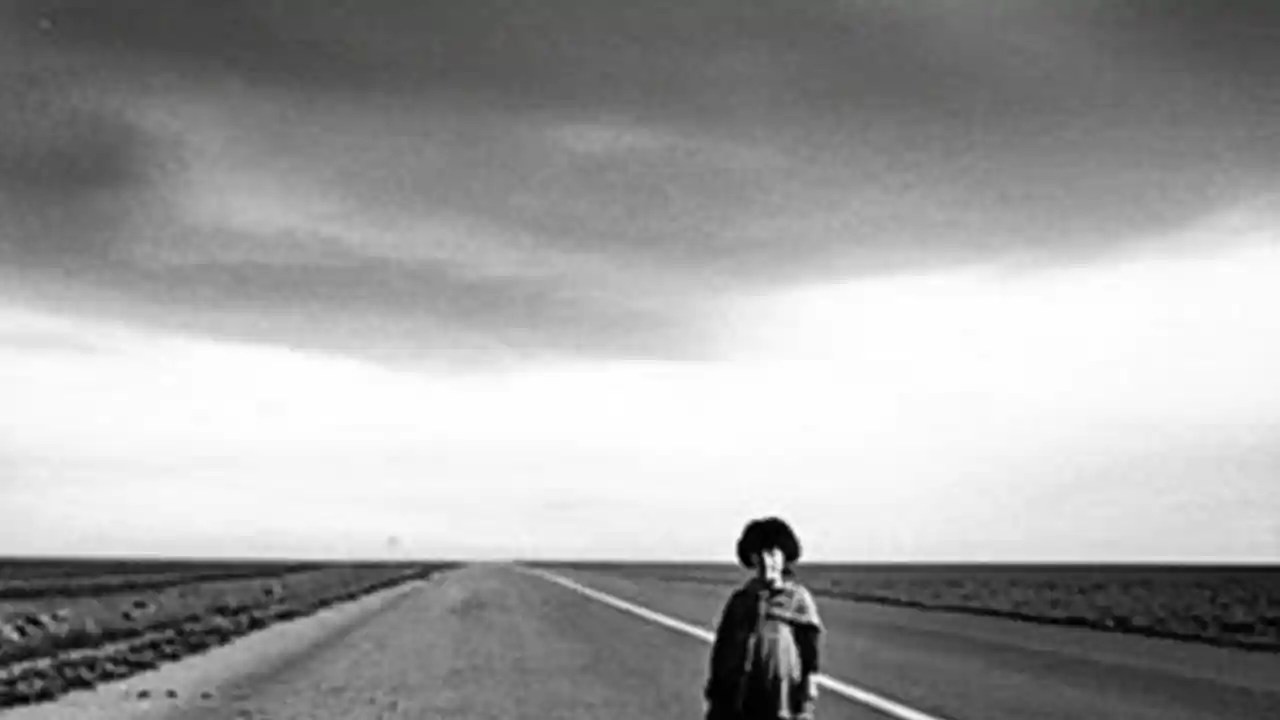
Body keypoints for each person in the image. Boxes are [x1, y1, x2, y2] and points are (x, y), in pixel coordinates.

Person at [705, 517, 824, 720]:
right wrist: (716, 689)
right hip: (743, 694)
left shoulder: (797, 599)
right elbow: (723, 647)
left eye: (772, 553)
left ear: (784, 557)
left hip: (782, 693)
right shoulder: (741, 600)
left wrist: (809, 684)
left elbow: (809, 646)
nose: (766, 561)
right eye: (759, 554)